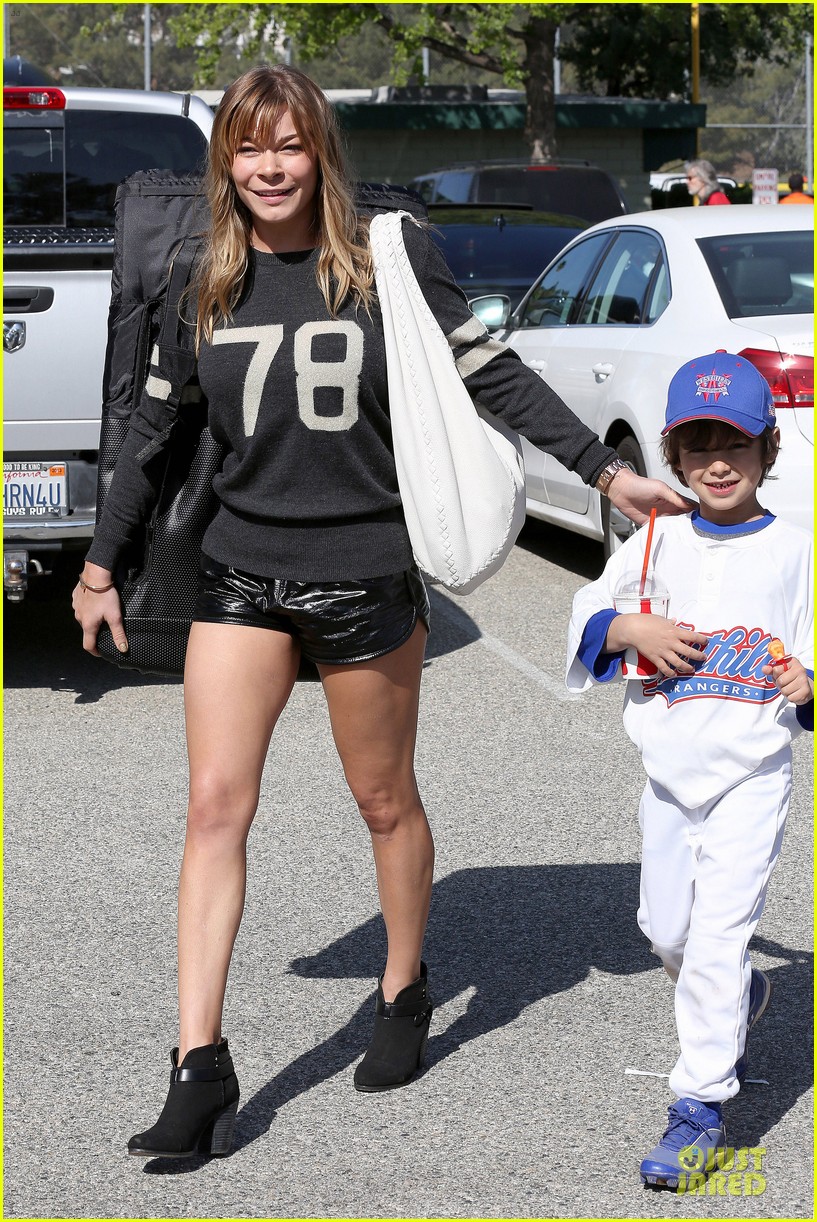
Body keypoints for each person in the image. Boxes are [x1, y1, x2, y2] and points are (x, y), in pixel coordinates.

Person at [72, 64, 692, 1161]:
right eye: (248, 147)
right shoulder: (200, 279)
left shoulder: (387, 262)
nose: (269, 167)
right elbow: (153, 432)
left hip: (365, 573)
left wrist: (601, 472)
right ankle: (197, 1062)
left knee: (383, 800)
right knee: (214, 806)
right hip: (239, 575)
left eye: (289, 145)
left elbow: (487, 373)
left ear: (320, 152)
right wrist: (100, 564)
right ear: (227, 160)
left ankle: (403, 988)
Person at [565, 351, 813, 1188]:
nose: (716, 461)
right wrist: (624, 633)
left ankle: (698, 1108)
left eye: (735, 443)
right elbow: (589, 615)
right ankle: (736, 999)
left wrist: (807, 683)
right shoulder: (653, 540)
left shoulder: (793, 548)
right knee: (664, 932)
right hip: (670, 773)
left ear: (766, 449)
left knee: (713, 940)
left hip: (750, 772)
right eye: (697, 442)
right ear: (670, 453)